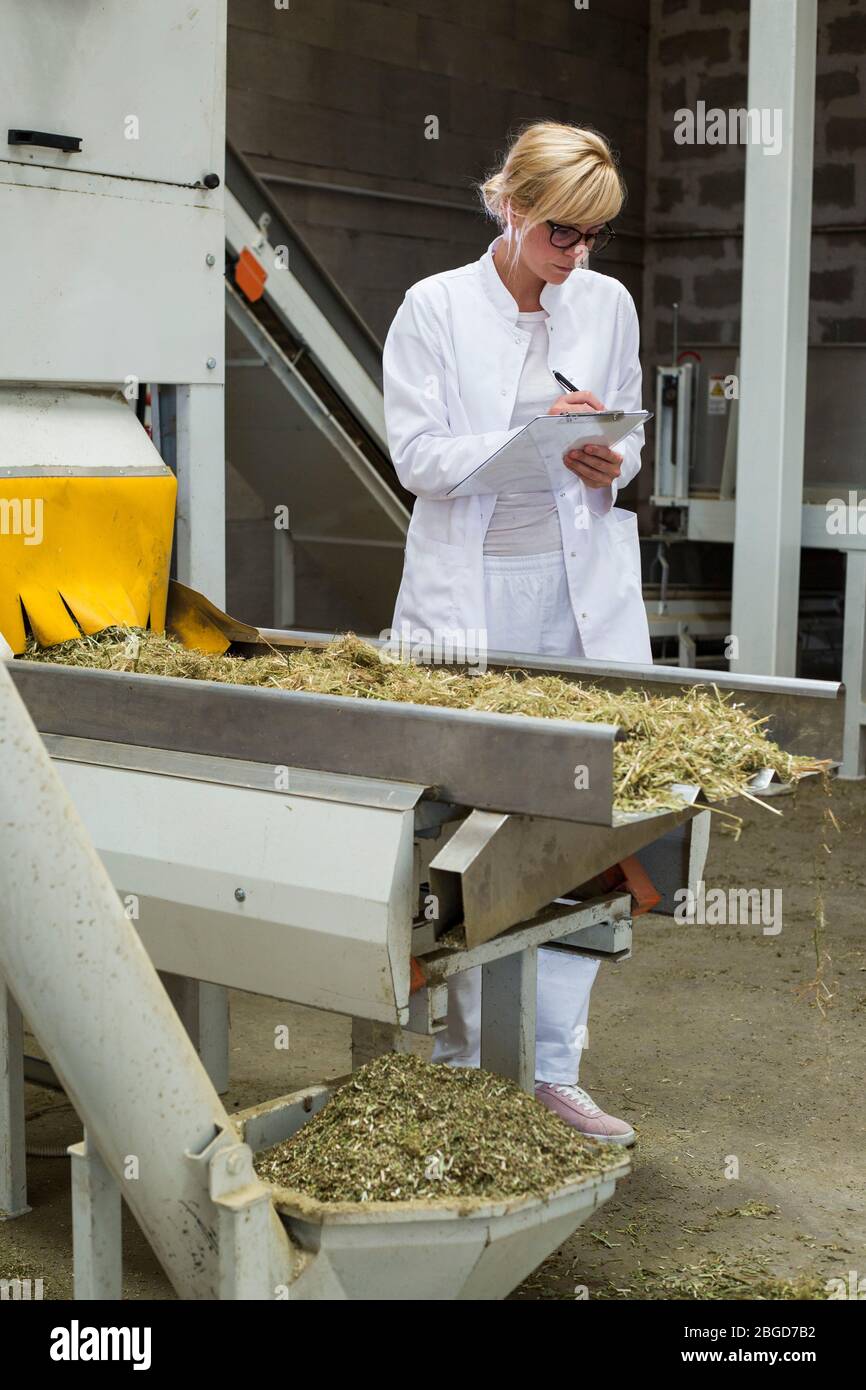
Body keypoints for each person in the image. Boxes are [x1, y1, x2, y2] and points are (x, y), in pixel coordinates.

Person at [381, 121, 651, 1144]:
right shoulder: (434, 308)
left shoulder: (605, 303)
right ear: (509, 205)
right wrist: (533, 440)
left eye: (589, 237)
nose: (574, 254)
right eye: (557, 232)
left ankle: (549, 1070)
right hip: (472, 598)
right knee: (468, 835)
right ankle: (462, 1070)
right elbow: (416, 455)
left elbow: (613, 444)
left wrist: (599, 457)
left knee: (582, 830)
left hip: (575, 592)